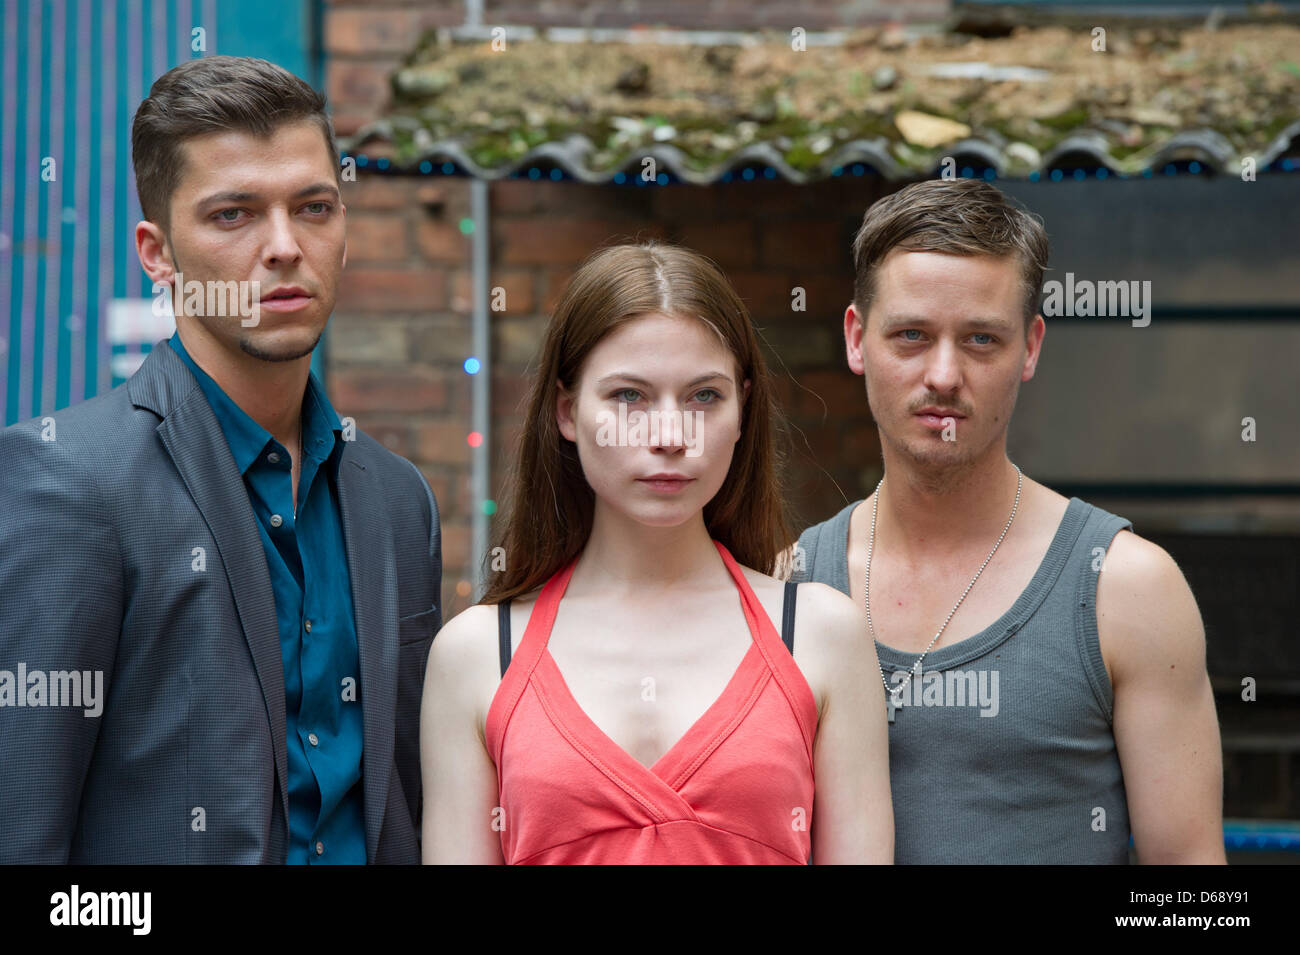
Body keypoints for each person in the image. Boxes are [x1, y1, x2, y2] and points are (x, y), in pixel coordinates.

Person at [0, 56, 442, 863]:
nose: (284, 247)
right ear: (157, 254)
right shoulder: (65, 479)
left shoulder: (398, 498)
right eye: (233, 214)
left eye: (313, 207)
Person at [786, 178, 1225, 863]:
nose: (942, 374)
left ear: (1029, 348)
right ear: (855, 338)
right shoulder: (789, 584)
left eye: (981, 339)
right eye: (910, 334)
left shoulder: (1125, 587)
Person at [420, 241, 893, 864]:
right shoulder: (479, 653)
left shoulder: (821, 635)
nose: (670, 436)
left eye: (703, 396)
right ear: (567, 411)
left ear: (742, 411)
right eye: (628, 397)